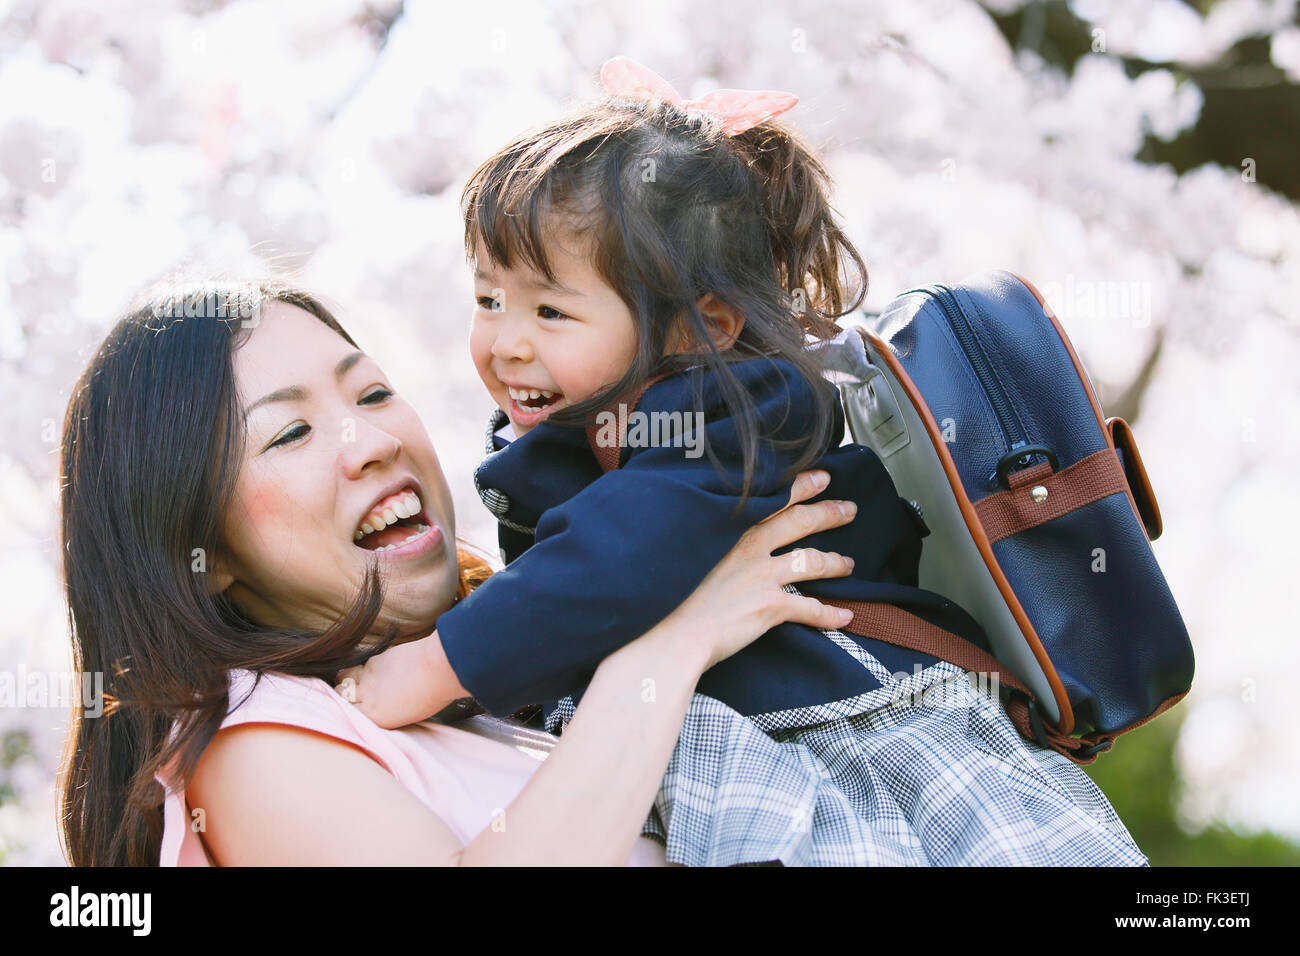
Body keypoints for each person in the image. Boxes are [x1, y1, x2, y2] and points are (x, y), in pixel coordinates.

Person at [341, 58, 1151, 866]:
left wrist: (435, 668)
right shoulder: (569, 441)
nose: (506, 341)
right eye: (489, 300)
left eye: (552, 310)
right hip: (734, 736)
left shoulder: (733, 411)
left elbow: (607, 566)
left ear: (701, 329)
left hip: (856, 722)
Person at [55, 280, 859, 866]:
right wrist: (668, 649)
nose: (372, 440)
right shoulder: (254, 752)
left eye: (372, 392)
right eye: (291, 431)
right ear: (204, 550)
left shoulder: (482, 694)